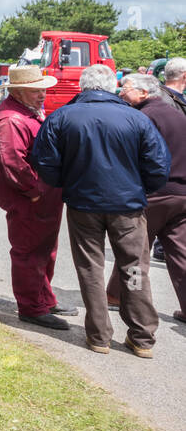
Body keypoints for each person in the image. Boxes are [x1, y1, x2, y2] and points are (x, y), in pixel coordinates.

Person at [31, 64, 169, 357]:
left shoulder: (61, 117)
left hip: (84, 204)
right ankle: (142, 336)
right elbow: (158, 165)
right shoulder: (136, 118)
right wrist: (141, 189)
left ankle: (99, 336)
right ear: (112, 87)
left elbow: (44, 162)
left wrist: (66, 184)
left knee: (91, 269)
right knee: (134, 268)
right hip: (127, 206)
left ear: (82, 87)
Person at [0, 65, 70, 329]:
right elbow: (13, 163)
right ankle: (32, 307)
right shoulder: (11, 119)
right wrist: (35, 193)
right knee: (30, 252)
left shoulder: (22, 113)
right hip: (30, 196)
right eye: (36, 90)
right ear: (20, 91)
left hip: (39, 194)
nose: (42, 94)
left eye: (42, 89)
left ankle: (43, 300)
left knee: (45, 250)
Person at [108, 73, 186, 324]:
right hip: (181, 193)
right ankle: (114, 293)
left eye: (126, 88)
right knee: (180, 253)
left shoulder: (143, 116)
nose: (121, 92)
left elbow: (135, 157)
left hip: (155, 194)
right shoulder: (177, 113)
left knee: (134, 251)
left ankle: (123, 297)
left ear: (144, 93)